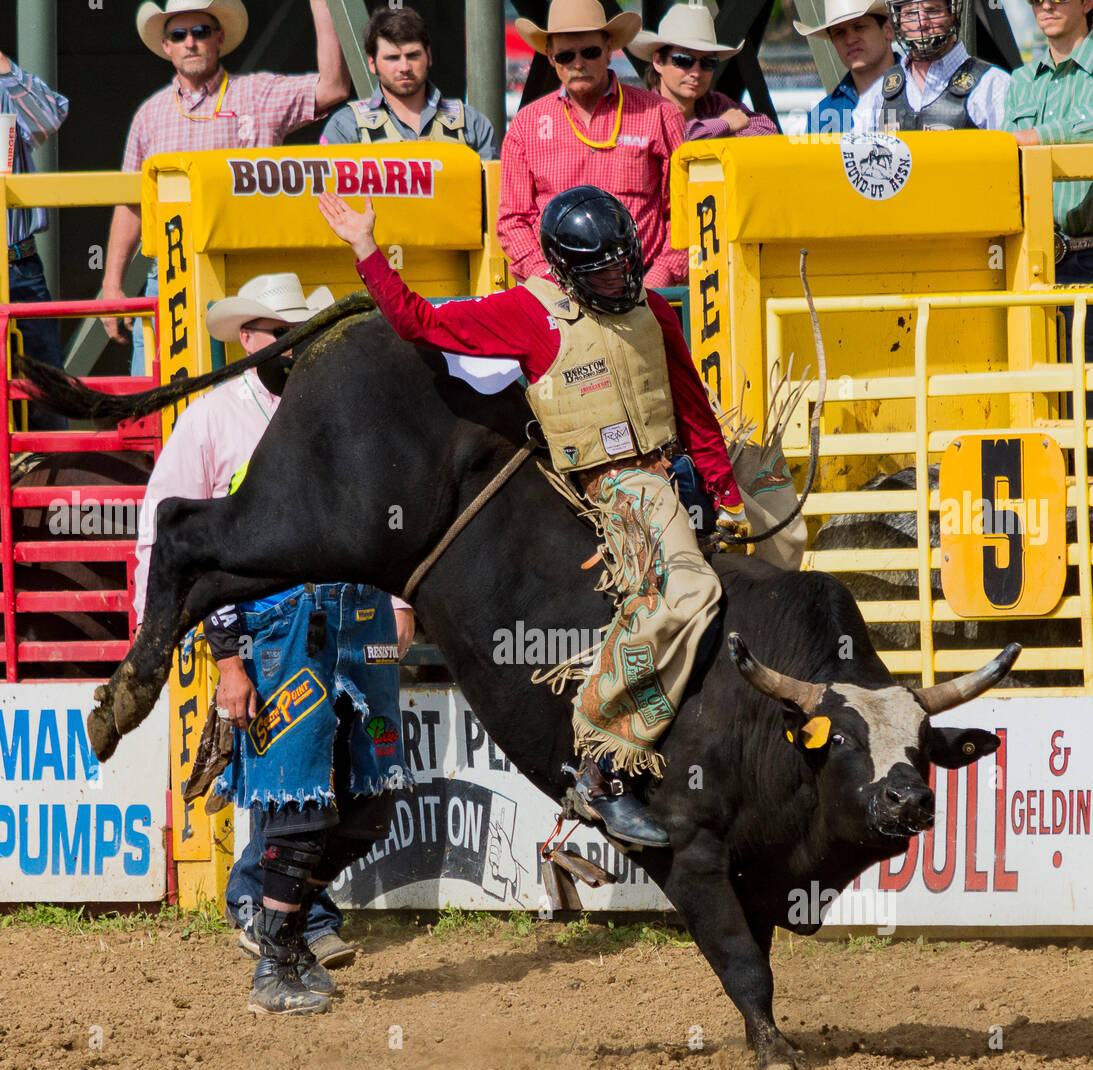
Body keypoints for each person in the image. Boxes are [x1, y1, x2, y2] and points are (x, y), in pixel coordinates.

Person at [320, 184, 750, 850]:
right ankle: (604, 763)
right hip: (617, 486)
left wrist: (725, 495)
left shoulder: (654, 311)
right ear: (567, 268)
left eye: (621, 260)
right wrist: (366, 248)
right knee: (685, 590)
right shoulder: (529, 314)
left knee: (780, 558)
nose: (617, 275)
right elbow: (422, 324)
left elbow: (690, 404)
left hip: (673, 473)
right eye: (600, 267)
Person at [134, 272, 414, 1015]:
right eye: (268, 329)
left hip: (354, 612)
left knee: (370, 800)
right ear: (247, 339)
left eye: (293, 330)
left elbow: (388, 507)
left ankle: (272, 918)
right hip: (270, 623)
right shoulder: (214, 420)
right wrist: (223, 653)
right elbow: (175, 534)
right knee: (297, 797)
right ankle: (282, 946)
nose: (283, 343)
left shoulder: (339, 412)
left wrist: (394, 595)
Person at [103, 0, 350, 371]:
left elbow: (332, 87)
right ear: (167, 46)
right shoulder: (149, 115)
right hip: (169, 278)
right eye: (179, 34)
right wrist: (111, 285)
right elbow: (131, 205)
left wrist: (321, 2)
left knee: (253, 394)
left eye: (200, 32)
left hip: (247, 276)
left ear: (218, 38)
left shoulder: (258, 93)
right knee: (158, 404)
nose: (191, 42)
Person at [499, 0, 687, 287]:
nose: (578, 63)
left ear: (609, 48)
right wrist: (549, 280)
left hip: (642, 291)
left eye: (589, 52)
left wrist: (658, 280)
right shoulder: (526, 125)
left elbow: (684, 214)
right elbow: (513, 220)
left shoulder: (660, 115)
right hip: (556, 298)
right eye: (565, 56)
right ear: (550, 57)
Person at [1005, 0, 1093, 379]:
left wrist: (1034, 137)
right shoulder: (1020, 81)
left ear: (1087, 2)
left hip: (1088, 256)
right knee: (1037, 387)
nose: (1045, 4)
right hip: (1029, 264)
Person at [321, 5, 498, 158]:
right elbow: (329, 194)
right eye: (392, 58)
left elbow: (493, 194)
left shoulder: (472, 124)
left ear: (428, 56)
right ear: (372, 64)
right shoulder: (346, 126)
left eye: (412, 55)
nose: (404, 67)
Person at [0, 47, 69, 431]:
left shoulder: (6, 85)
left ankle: (53, 483)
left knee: (45, 396)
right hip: (18, 266)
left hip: (16, 264)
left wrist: (5, 68)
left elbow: (48, 119)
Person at [854, 0, 1010, 131]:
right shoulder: (878, 96)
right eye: (909, 13)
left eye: (932, 11)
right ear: (898, 21)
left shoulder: (992, 84)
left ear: (953, 13)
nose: (921, 23)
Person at [631, 1, 778, 141]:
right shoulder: (641, 111)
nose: (696, 72)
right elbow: (672, 137)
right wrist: (724, 125)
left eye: (708, 62)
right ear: (658, 62)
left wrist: (713, 131)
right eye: (683, 59)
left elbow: (768, 129)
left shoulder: (716, 104)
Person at [797, 0, 897, 135]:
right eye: (839, 33)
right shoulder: (821, 118)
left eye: (859, 27)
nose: (850, 40)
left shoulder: (923, 90)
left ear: (888, 30)